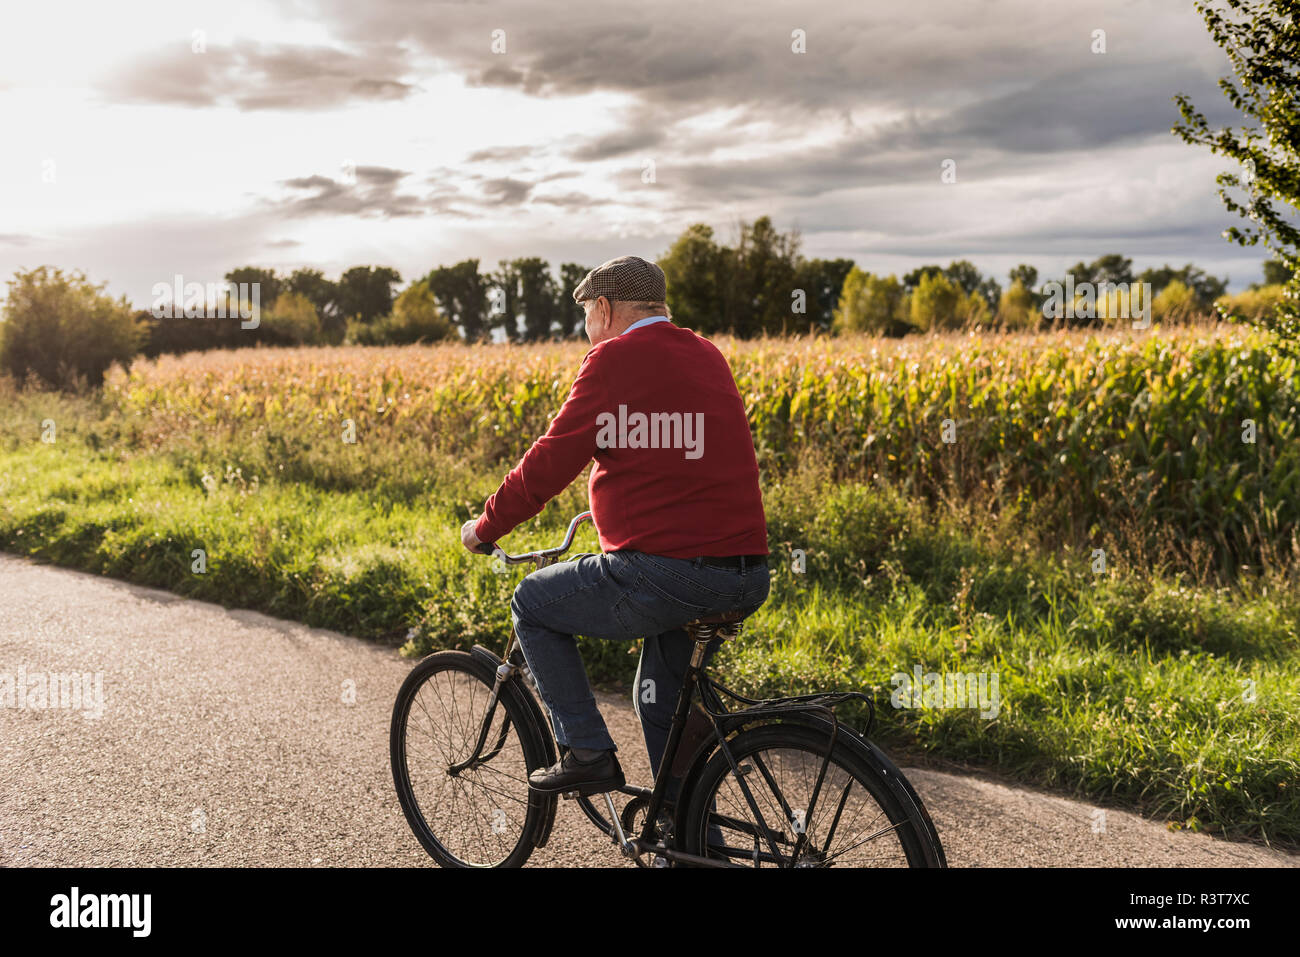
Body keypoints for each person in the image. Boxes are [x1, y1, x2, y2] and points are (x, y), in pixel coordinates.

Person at [461, 255, 769, 796]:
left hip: (667, 575)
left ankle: (586, 750)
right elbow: (682, 454)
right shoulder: (707, 355)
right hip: (744, 573)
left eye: (586, 315)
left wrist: (486, 526)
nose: (586, 331)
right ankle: (688, 842)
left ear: (602, 308)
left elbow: (547, 465)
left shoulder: (611, 361)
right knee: (658, 701)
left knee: (532, 603)